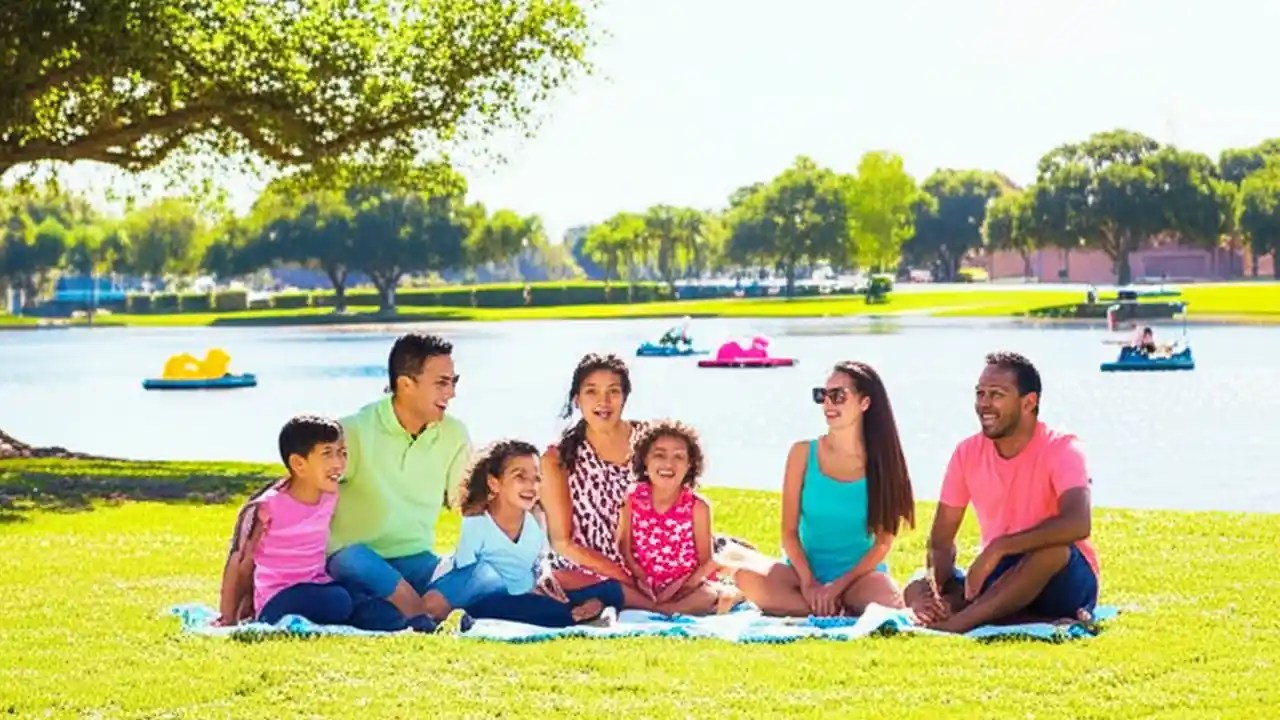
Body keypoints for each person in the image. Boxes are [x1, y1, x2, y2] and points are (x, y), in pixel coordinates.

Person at [907, 351, 1099, 633]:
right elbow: (940, 540)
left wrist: (999, 548)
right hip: (1000, 576)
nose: (984, 404)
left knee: (1052, 552)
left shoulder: (1063, 449)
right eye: (980, 393)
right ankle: (1001, 617)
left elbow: (1077, 523)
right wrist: (937, 590)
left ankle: (962, 623)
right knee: (916, 587)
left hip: (1063, 578)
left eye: (996, 394)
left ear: (1028, 402)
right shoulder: (966, 453)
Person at [325, 332, 501, 631]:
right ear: (406, 384)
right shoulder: (352, 430)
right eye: (442, 383)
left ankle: (409, 613)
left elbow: (467, 502)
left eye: (453, 382)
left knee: (490, 572)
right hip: (357, 561)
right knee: (351, 557)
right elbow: (306, 491)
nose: (452, 393)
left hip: (418, 562)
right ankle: (420, 611)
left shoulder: (454, 434)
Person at [733, 361, 917, 617]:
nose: (828, 403)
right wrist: (809, 583)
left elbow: (883, 543)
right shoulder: (801, 453)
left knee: (887, 603)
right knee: (745, 578)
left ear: (864, 403)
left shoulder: (883, 463)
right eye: (823, 395)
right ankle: (833, 609)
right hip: (802, 576)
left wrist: (837, 587)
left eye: (838, 396)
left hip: (859, 579)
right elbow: (789, 533)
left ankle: (824, 606)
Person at [215, 415, 422, 631]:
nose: (339, 463)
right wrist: (228, 618)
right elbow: (241, 561)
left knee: (375, 608)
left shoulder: (329, 497)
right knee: (339, 600)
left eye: (342, 453)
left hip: (320, 587)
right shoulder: (268, 506)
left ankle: (412, 625)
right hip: (279, 599)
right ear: (298, 464)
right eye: (327, 454)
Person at [453, 439, 623, 627]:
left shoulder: (534, 521)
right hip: (491, 599)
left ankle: (587, 610)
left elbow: (539, 562)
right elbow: (463, 581)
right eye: (521, 477)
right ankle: (580, 616)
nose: (531, 486)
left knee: (610, 589)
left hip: (532, 592)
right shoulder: (476, 525)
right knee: (541, 610)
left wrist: (545, 579)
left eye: (537, 478)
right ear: (494, 483)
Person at [617, 419, 744, 615]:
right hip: (642, 585)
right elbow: (623, 549)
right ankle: (657, 607)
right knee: (614, 590)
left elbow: (706, 562)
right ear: (645, 460)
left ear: (689, 465)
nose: (668, 463)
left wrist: (681, 587)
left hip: (686, 586)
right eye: (659, 455)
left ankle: (670, 609)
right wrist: (641, 579)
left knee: (706, 595)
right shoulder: (632, 498)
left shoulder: (698, 506)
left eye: (678, 457)